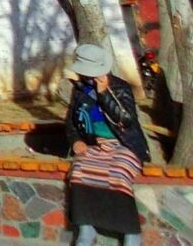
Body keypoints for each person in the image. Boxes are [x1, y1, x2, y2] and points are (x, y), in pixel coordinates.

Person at [64, 43, 149, 246]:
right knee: (79, 172)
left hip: (124, 144)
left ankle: (130, 233)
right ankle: (86, 228)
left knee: (118, 174)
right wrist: (76, 140)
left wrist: (104, 95)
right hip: (95, 145)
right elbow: (71, 121)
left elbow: (125, 120)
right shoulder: (80, 90)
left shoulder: (120, 87)